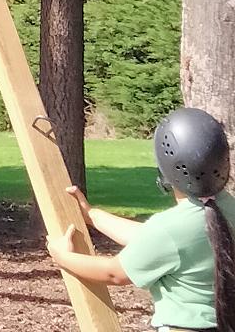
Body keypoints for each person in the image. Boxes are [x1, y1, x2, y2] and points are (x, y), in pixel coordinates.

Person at [47, 107, 235, 332]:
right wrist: (93, 216)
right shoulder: (226, 208)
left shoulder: (169, 229)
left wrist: (63, 257)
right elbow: (152, 239)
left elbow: (113, 273)